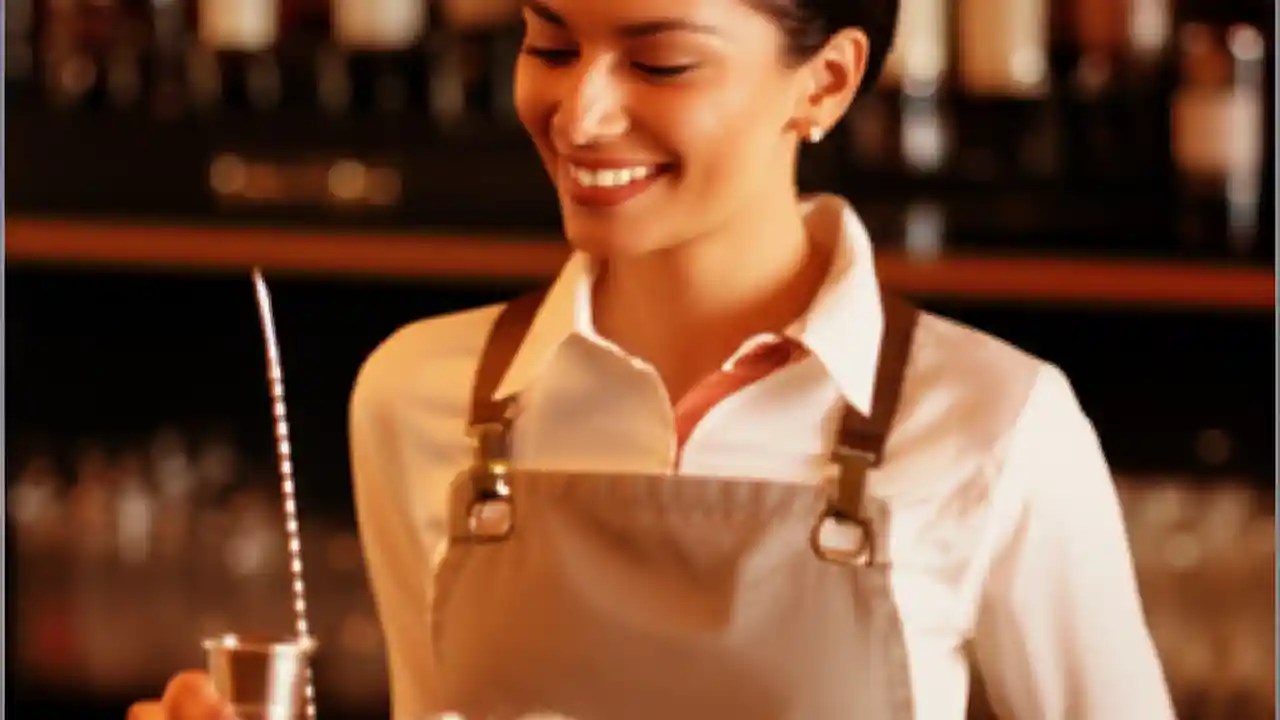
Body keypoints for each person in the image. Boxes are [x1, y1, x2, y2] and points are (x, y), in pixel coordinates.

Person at [131, 0, 1176, 718]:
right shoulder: (415, 398)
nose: (579, 113)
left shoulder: (993, 424)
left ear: (824, 82)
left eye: (659, 61)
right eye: (549, 44)